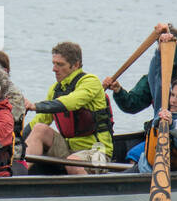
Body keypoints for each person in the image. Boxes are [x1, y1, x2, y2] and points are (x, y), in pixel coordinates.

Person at [24, 41, 114, 174]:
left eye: (60, 64)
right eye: (54, 63)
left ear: (76, 65)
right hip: (68, 150)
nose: (54, 69)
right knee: (39, 129)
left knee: (73, 162)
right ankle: (20, 177)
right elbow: (39, 121)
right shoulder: (55, 89)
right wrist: (14, 140)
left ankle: (88, 191)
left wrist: (35, 106)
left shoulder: (91, 82)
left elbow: (71, 102)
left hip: (97, 152)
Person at [104, 25, 177, 125]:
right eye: (162, 46)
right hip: (163, 129)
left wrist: (172, 40)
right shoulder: (155, 77)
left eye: (168, 45)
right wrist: (119, 91)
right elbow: (132, 105)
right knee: (133, 151)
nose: (165, 50)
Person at [124, 76, 177, 173]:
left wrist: (172, 123)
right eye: (172, 95)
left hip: (174, 173)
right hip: (145, 169)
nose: (173, 100)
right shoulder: (164, 113)